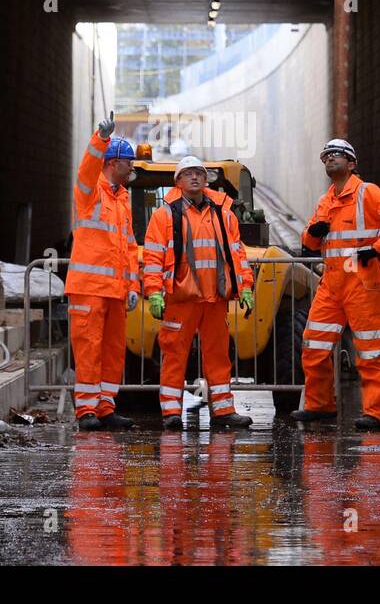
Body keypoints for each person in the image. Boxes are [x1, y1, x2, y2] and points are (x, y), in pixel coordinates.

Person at [293, 139, 380, 430]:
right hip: (332, 283)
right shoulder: (326, 200)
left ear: (352, 163)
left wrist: (378, 248)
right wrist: (313, 233)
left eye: (336, 155)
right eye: (326, 157)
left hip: (362, 282)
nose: (330, 159)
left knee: (369, 351)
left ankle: (374, 413)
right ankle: (320, 405)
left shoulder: (367, 192)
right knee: (313, 345)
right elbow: (308, 242)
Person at [142, 155, 256, 430]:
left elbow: (237, 254)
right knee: (173, 354)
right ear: (178, 181)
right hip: (180, 298)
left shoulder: (223, 213)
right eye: (188, 173)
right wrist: (154, 292)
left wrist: (246, 287)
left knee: (218, 355)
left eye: (199, 173)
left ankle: (223, 411)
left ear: (206, 180)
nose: (194, 177)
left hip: (214, 298)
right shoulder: (164, 215)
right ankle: (171, 412)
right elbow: (153, 257)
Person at [68, 111, 141, 431]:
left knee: (112, 352)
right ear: (114, 163)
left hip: (114, 292)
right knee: (89, 349)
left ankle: (105, 407)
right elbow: (86, 168)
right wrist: (101, 138)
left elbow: (128, 247)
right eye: (130, 162)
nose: (133, 167)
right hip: (88, 288)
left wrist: (133, 286)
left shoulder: (122, 199)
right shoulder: (90, 191)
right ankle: (86, 409)